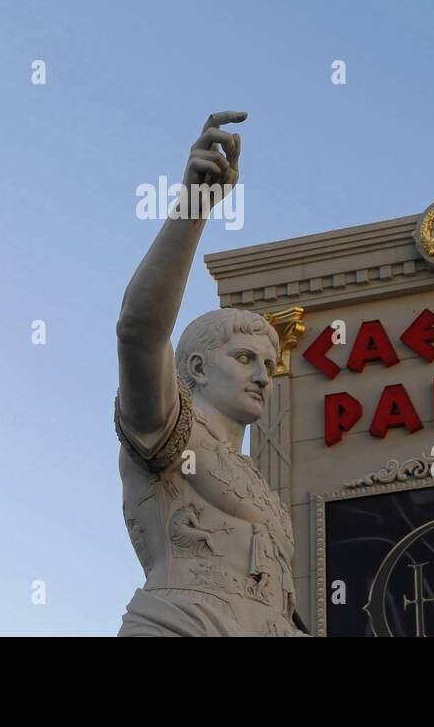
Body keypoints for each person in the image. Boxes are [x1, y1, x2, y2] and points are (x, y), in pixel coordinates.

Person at [114, 112, 305, 636]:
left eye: (269, 365)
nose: (264, 375)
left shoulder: (262, 487)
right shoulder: (164, 429)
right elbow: (137, 332)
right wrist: (194, 207)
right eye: (245, 358)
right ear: (196, 366)